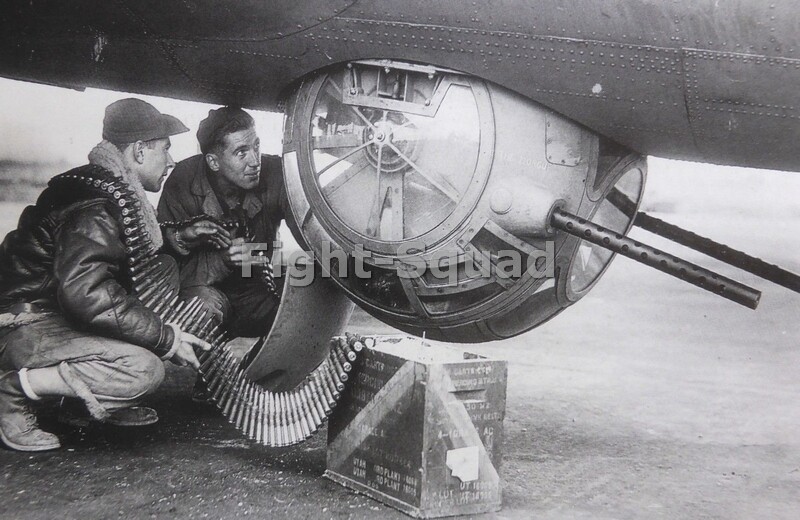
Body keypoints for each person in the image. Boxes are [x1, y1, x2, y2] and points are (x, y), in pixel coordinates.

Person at [0, 98, 210, 452]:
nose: (171, 161)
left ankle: (72, 402)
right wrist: (166, 339)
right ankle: (12, 392)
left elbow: (116, 267)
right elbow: (87, 294)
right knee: (143, 369)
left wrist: (178, 242)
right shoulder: (95, 207)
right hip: (23, 326)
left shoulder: (99, 187)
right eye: (165, 149)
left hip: (46, 317)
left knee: (153, 307)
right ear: (140, 152)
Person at [157, 107, 288, 339]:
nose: (255, 161)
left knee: (303, 290)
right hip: (209, 293)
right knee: (199, 308)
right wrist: (221, 260)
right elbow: (167, 274)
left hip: (259, 289)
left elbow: (309, 231)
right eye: (241, 153)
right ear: (213, 162)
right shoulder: (183, 181)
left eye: (256, 146)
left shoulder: (275, 173)